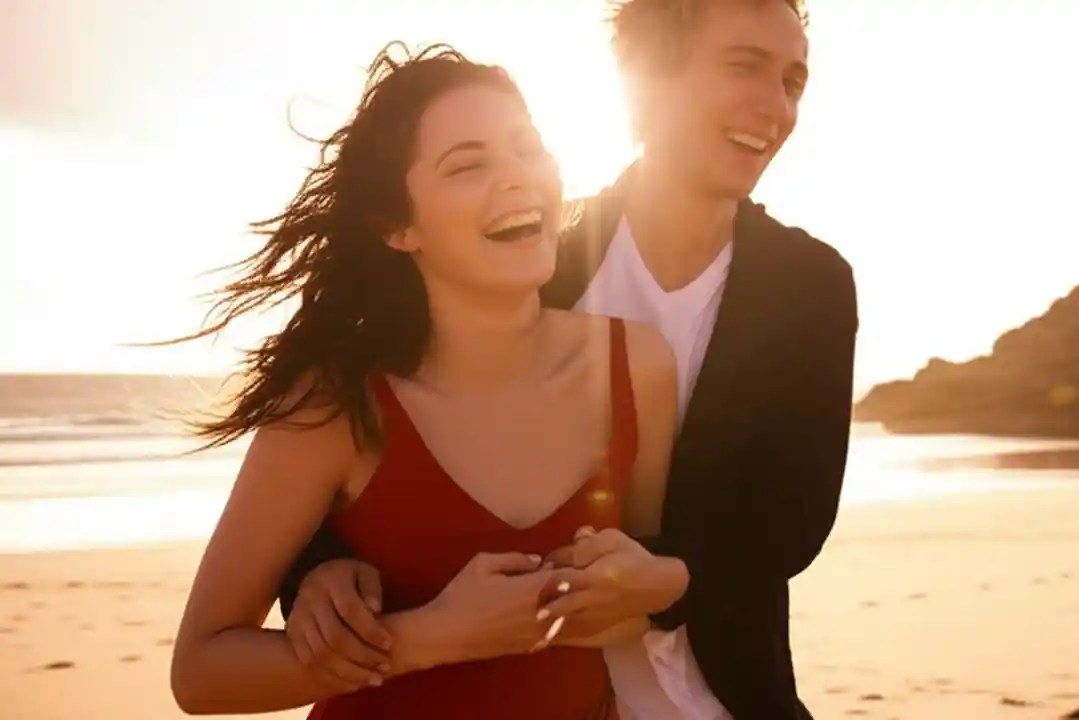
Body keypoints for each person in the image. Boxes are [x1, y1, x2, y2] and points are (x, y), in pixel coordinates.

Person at [282, 0, 859, 718]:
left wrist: (670, 581)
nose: (775, 106)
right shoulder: (529, 249)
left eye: (793, 81)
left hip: (723, 695)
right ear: (647, 76)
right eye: (746, 66)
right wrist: (317, 567)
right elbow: (392, 418)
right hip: (537, 693)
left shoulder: (811, 286)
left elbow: (793, 519)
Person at [167, 43, 689, 719]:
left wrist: (646, 593)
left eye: (527, 148)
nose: (517, 178)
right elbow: (201, 672)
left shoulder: (636, 366)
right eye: (468, 165)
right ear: (398, 228)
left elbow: (647, 591)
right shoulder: (335, 403)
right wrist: (426, 637)